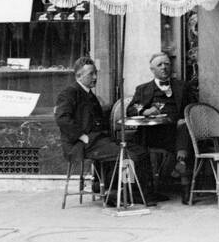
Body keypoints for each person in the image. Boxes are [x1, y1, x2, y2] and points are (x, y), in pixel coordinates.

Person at [55, 55, 161, 206]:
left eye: (95, 73)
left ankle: (142, 192)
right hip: (80, 144)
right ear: (79, 75)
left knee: (140, 150)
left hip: (98, 140)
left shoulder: (89, 94)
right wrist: (82, 137)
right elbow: (62, 119)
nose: (95, 77)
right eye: (90, 74)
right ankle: (118, 193)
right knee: (126, 155)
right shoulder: (69, 93)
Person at [125, 51, 193, 191]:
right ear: (152, 69)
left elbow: (193, 107)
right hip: (152, 134)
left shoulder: (182, 87)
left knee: (183, 128)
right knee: (182, 138)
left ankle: (177, 173)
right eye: (159, 65)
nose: (164, 67)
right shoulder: (143, 89)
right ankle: (178, 169)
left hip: (175, 131)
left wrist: (185, 118)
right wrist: (144, 111)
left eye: (166, 64)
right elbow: (131, 109)